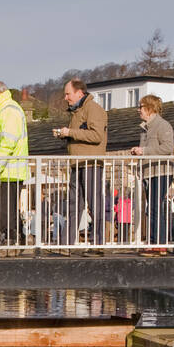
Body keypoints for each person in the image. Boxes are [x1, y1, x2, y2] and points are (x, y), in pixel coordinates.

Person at [55, 77, 107, 246]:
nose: (65, 98)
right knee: (73, 205)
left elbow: (97, 136)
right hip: (77, 163)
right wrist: (65, 135)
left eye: (67, 94)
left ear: (79, 93)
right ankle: (66, 243)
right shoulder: (76, 112)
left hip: (91, 163)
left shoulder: (94, 109)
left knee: (94, 204)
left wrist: (70, 132)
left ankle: (98, 242)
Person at [0, 80, 28, 245]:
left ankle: (9, 241)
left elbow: (8, 142)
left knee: (5, 210)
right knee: (7, 209)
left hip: (8, 171)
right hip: (7, 171)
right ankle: (15, 239)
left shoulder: (8, 110)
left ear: (0, 93)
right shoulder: (4, 109)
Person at [129, 95, 174, 246]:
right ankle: (153, 240)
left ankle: (158, 243)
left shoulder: (163, 125)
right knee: (151, 207)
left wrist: (144, 151)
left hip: (161, 171)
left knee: (155, 207)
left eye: (140, 107)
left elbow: (168, 148)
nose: (138, 110)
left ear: (150, 108)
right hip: (149, 172)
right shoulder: (145, 128)